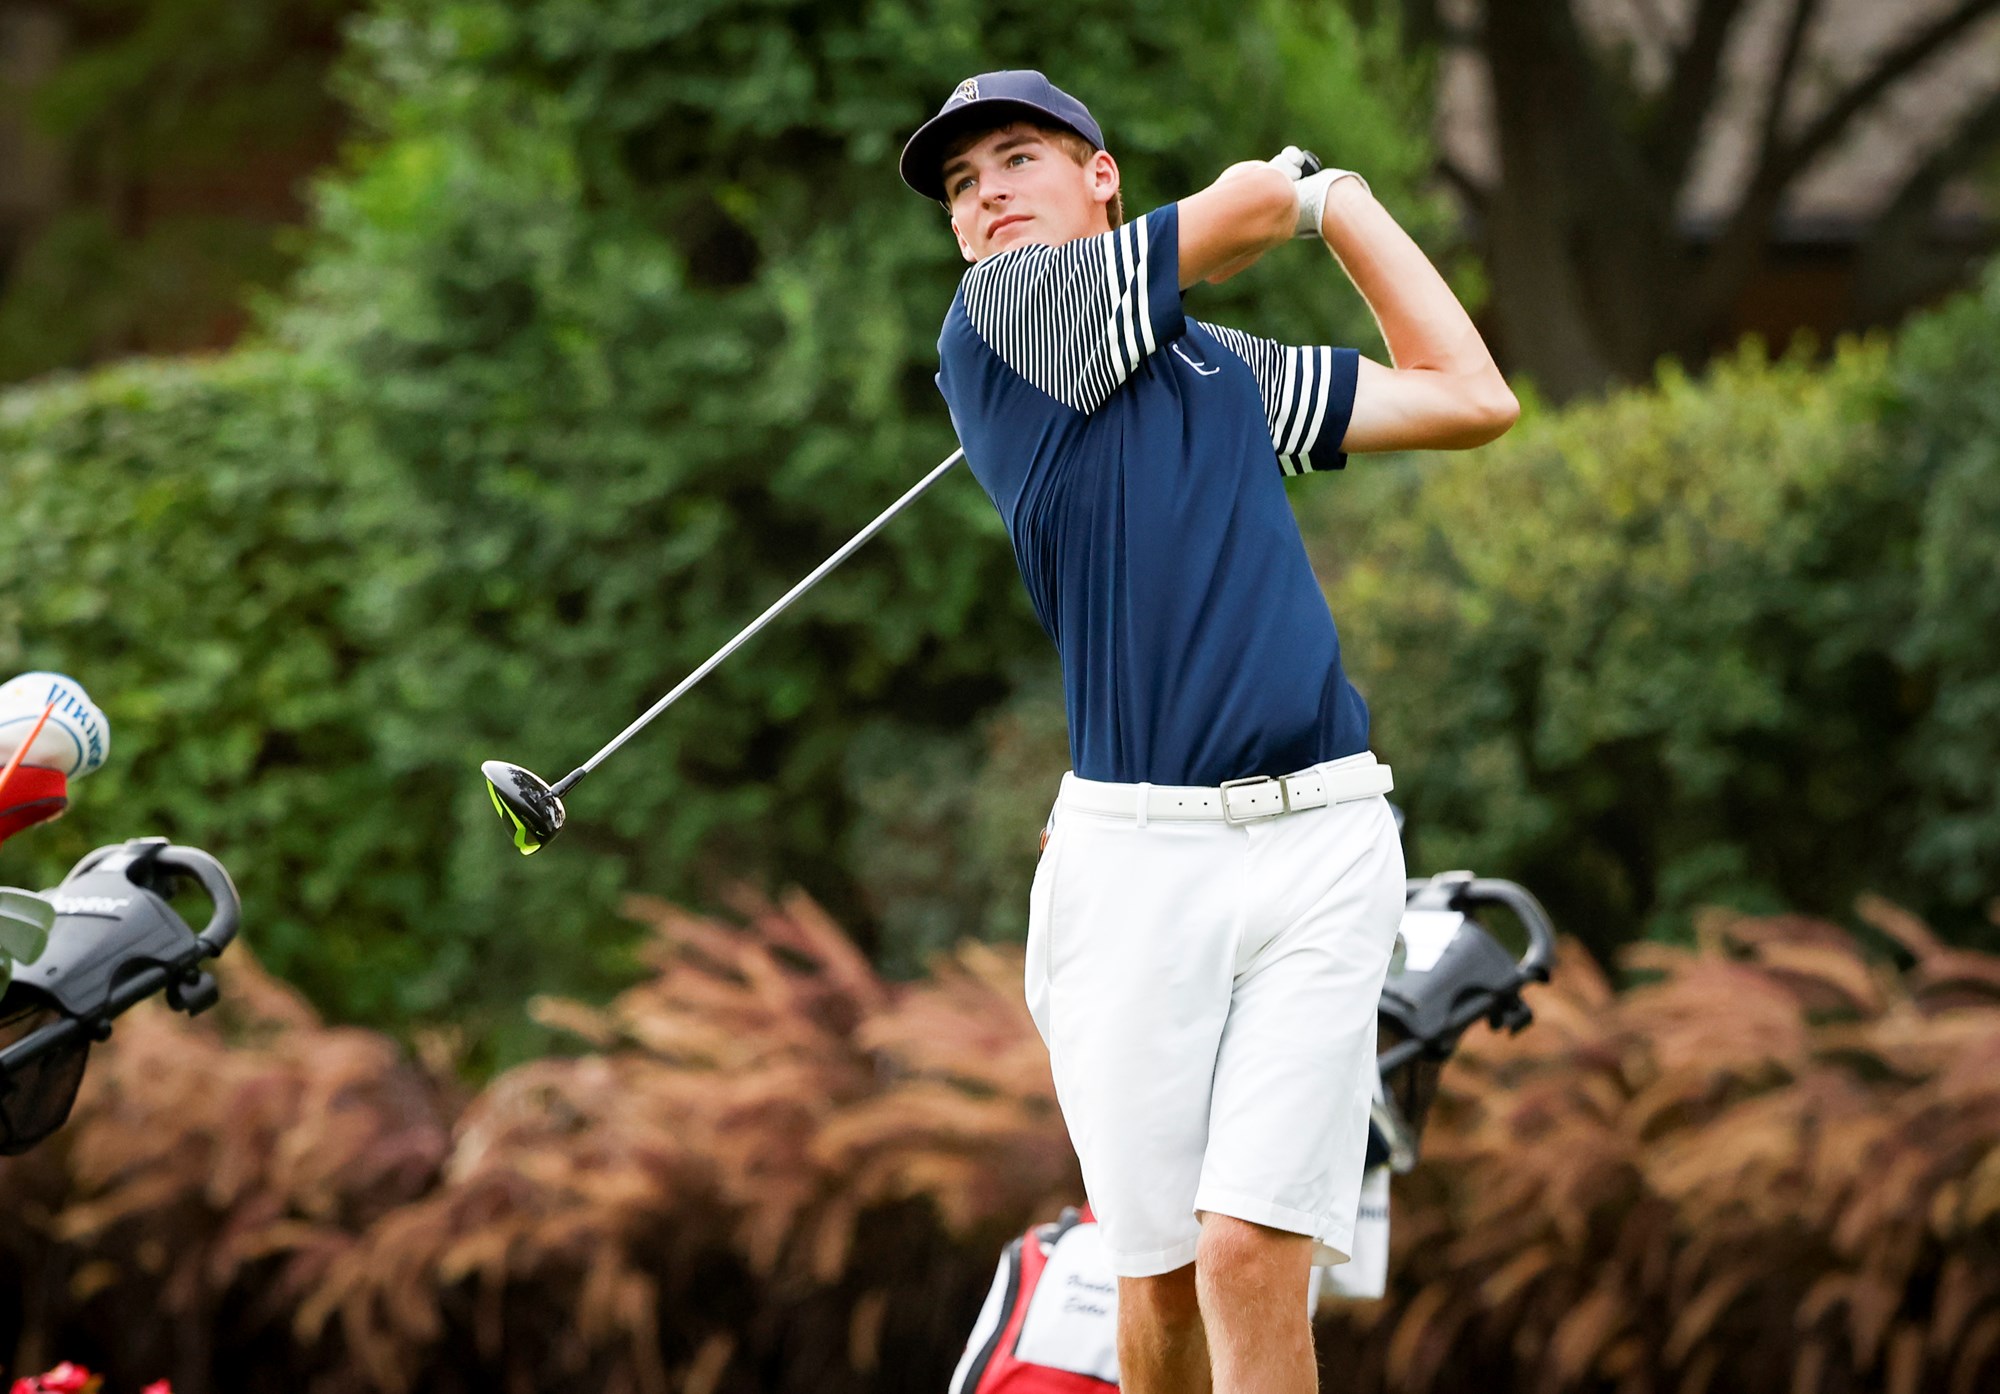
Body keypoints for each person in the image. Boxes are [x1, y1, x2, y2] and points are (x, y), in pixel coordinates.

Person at [899, 71, 1517, 1394]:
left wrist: (1344, 202)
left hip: (1324, 836)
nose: (990, 191)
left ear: (1101, 175)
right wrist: (1283, 192)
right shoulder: (997, 322)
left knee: (1250, 1251)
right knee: (1162, 1279)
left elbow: (1469, 395)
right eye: (964, 184)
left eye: (1019, 158)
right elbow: (1235, 216)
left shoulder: (1216, 369)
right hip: (1136, 865)